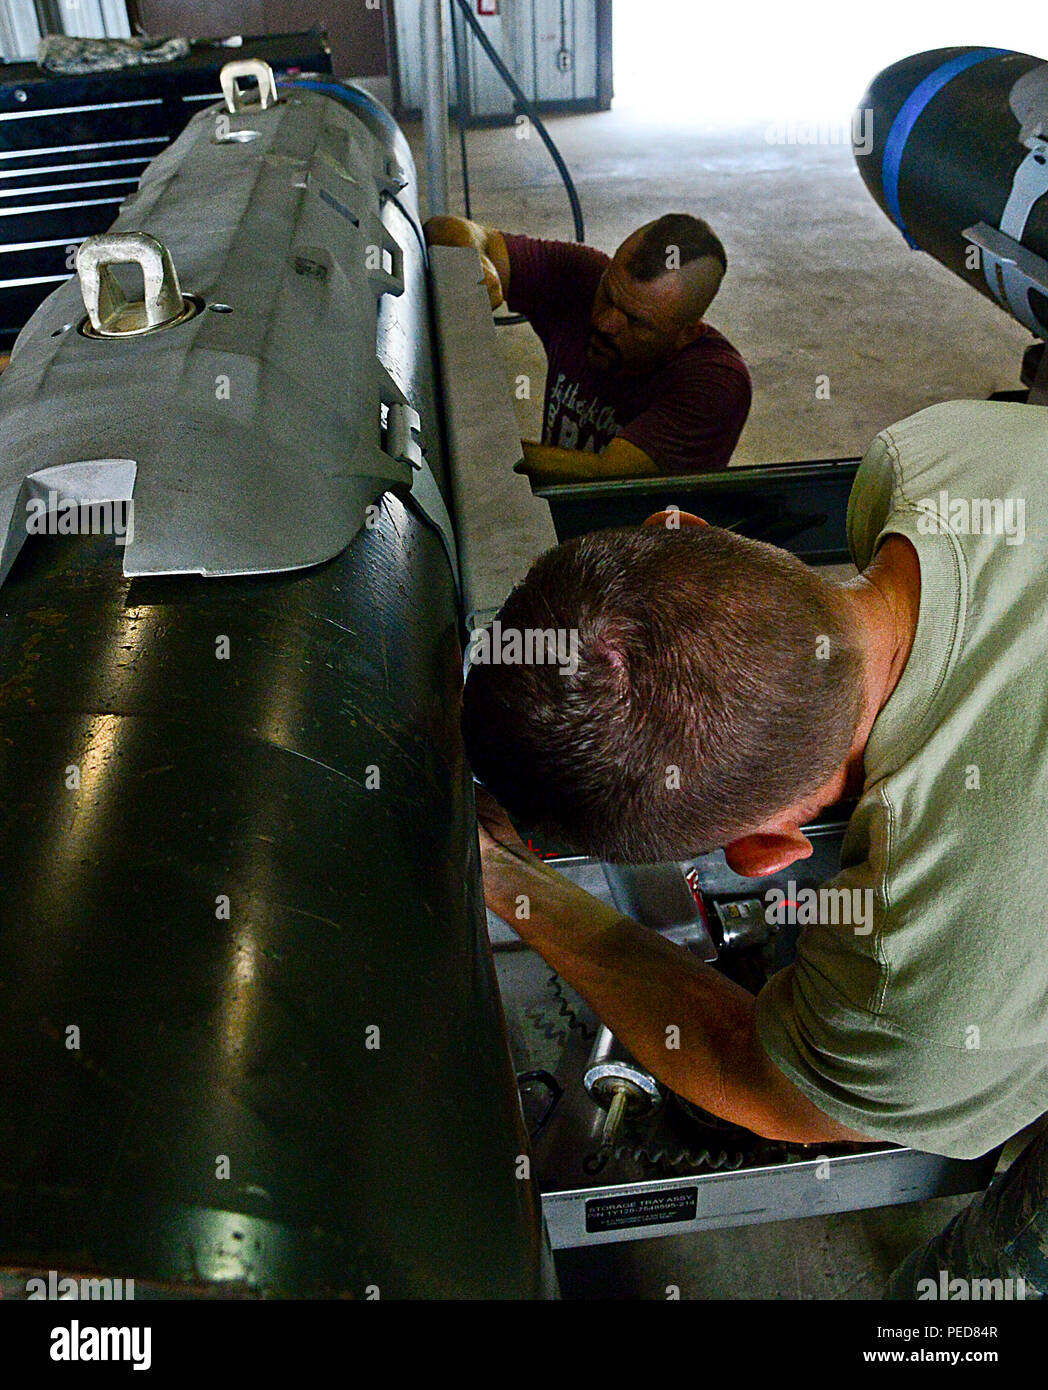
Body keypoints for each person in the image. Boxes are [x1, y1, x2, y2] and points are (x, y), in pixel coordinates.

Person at [463, 399, 1048, 1296]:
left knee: (974, 1288)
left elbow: (764, 1077)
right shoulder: (936, 459)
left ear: (766, 850)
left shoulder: (931, 976)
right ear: (690, 523)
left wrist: (508, 879)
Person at [423, 212, 751, 483]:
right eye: (608, 294)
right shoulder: (582, 276)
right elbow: (447, 229)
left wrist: (465, 448)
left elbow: (608, 474)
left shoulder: (717, 383)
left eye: (636, 322)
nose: (606, 323)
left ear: (688, 333)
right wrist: (474, 261)